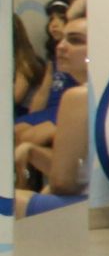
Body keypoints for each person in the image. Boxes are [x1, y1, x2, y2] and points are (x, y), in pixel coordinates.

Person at [14, 13, 88, 210]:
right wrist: (34, 152)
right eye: (62, 39)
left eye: (75, 41)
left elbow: (63, 183)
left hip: (80, 209)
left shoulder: (79, 97)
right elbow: (80, 173)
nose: (61, 46)